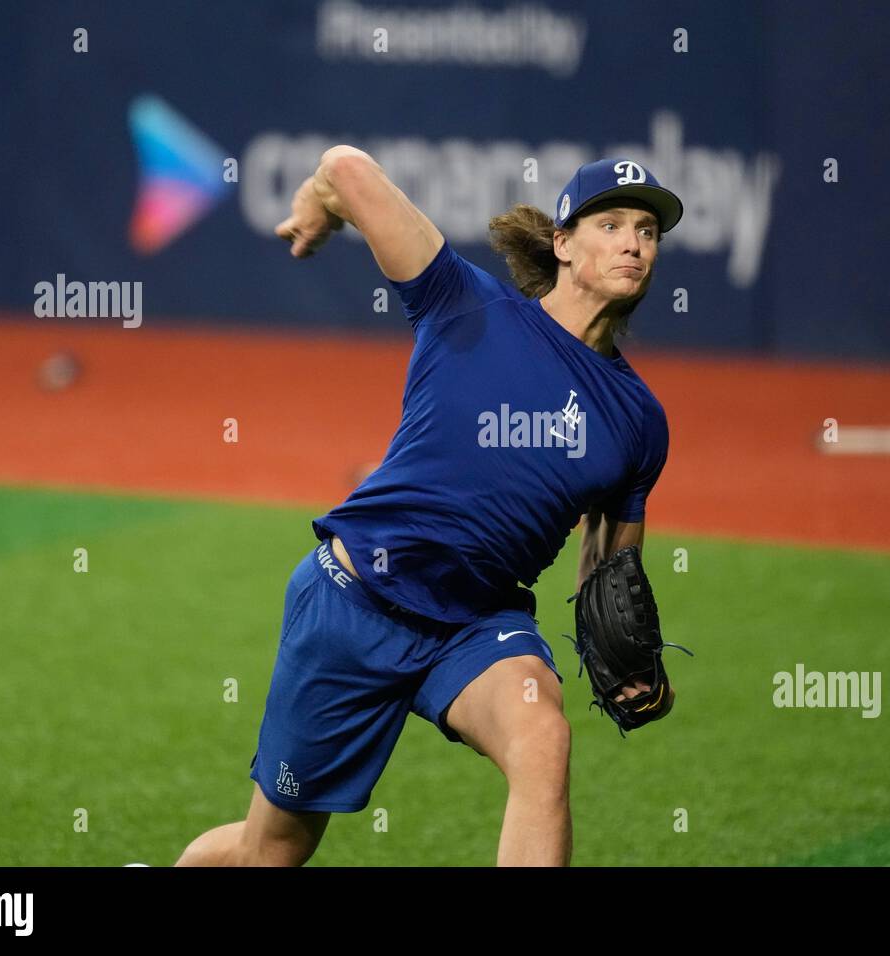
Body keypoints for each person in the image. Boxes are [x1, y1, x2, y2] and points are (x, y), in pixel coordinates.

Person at [176, 150, 682, 867]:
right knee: (272, 852)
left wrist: (635, 667)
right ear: (563, 244)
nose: (634, 242)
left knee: (544, 739)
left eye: (648, 231)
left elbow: (612, 570)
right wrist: (324, 201)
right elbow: (348, 167)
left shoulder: (638, 418)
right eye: (611, 224)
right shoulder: (465, 304)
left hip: (475, 628)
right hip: (352, 606)